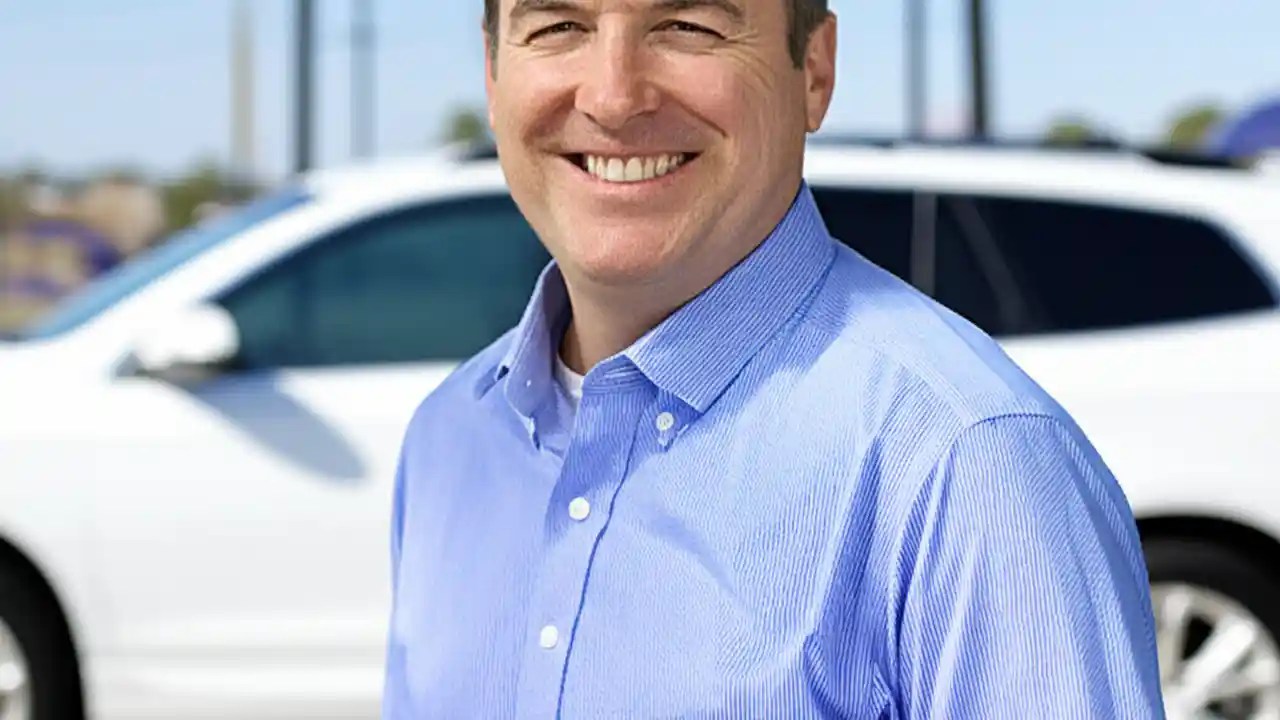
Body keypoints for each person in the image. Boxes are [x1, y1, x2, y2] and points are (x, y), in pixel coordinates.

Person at [382, 0, 1166, 717]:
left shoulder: (969, 464)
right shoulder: (451, 439)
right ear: (493, 73)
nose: (613, 97)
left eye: (688, 25)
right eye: (558, 27)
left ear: (814, 70)